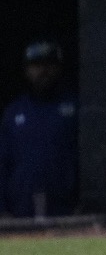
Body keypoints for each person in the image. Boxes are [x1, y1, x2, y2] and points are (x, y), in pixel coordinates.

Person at [1, 42, 79, 219]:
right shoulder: (14, 113)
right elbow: (3, 163)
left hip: (64, 209)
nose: (43, 71)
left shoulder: (75, 108)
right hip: (21, 209)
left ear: (59, 68)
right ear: (26, 70)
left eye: (49, 65)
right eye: (36, 65)